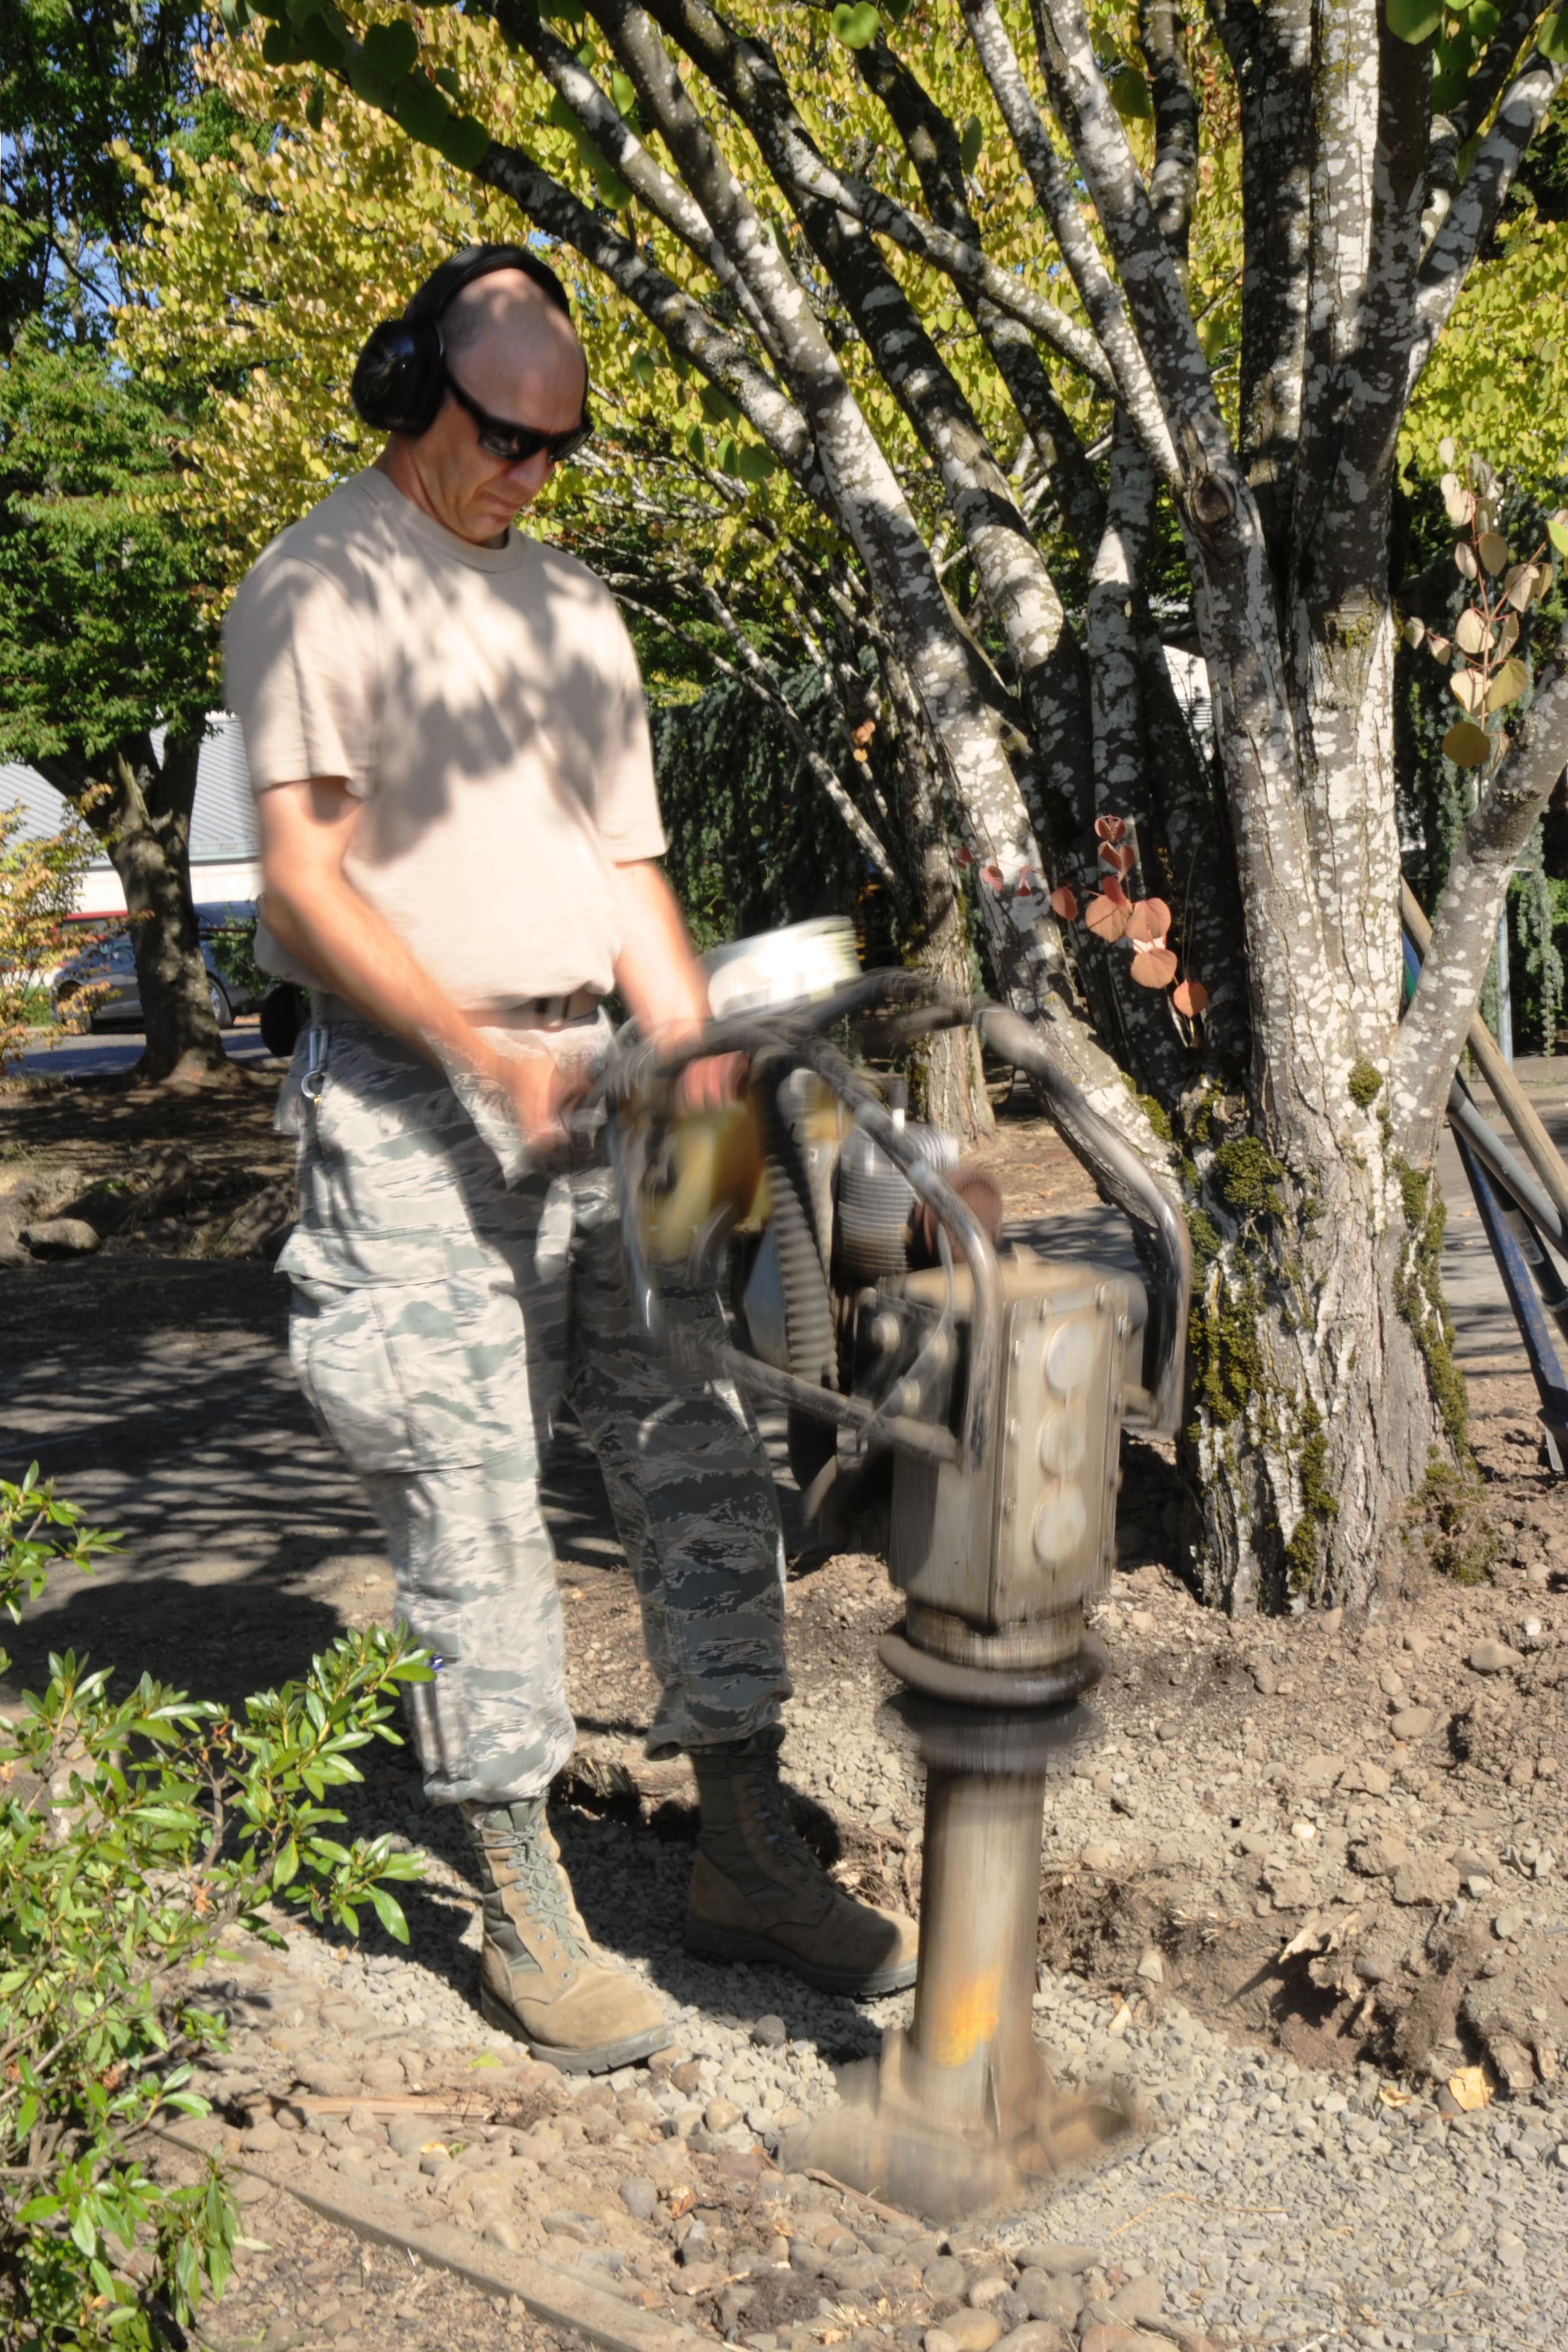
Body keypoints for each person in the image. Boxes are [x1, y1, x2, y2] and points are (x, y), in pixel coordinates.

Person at [223, 244, 916, 2074]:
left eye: (557, 446)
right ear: (408, 387)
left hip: (604, 1083)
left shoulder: (583, 614)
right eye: (497, 434)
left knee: (695, 1438)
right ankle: (527, 1888)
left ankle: (744, 1847)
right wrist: (478, 1055)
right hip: (409, 1091)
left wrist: (689, 1065)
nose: (525, 472)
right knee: (470, 1478)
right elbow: (300, 889)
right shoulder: (314, 587)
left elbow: (628, 879)